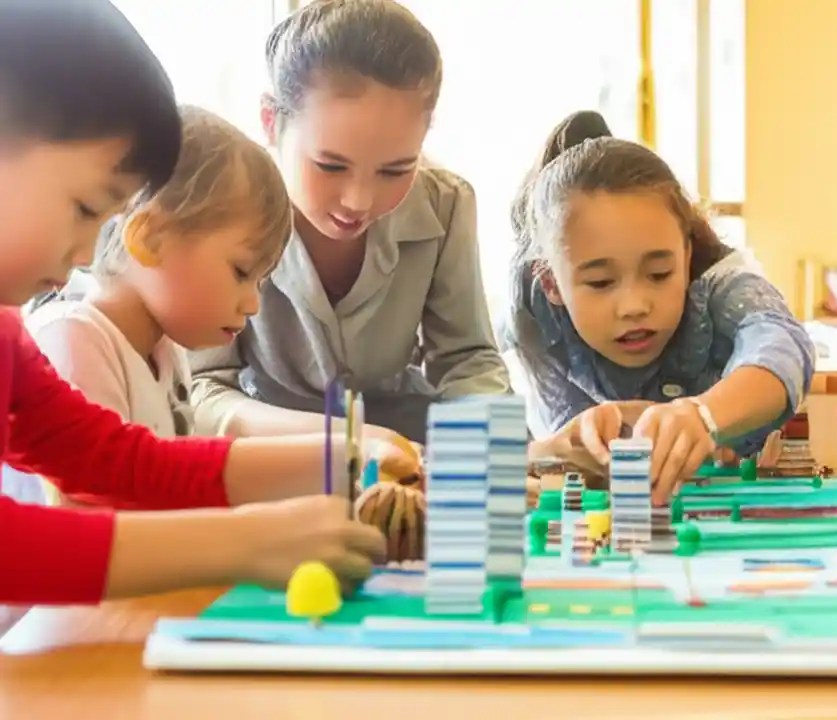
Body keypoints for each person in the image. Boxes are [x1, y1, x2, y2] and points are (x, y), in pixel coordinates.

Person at [0, 0, 384, 606]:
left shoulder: (8, 337)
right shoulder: (70, 330)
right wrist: (247, 542)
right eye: (85, 208)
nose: (86, 252)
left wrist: (348, 455)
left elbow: (122, 465)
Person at [11, 106, 420, 508]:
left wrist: (352, 453)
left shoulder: (164, 352)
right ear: (151, 237)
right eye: (241, 271)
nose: (253, 304)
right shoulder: (75, 340)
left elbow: (176, 480)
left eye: (260, 281)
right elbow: (103, 513)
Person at [190, 0, 509, 446]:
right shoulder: (218, 207)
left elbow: (467, 360)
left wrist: (495, 452)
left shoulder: (446, 204)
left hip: (407, 444)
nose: (358, 201)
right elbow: (203, 389)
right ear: (270, 121)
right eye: (331, 166)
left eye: (396, 170)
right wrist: (346, 439)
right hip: (266, 450)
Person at [507, 122, 814, 503]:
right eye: (601, 282)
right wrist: (548, 451)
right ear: (552, 284)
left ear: (686, 254)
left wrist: (703, 415)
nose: (635, 306)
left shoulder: (723, 286)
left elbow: (783, 345)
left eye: (659, 274)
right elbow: (559, 460)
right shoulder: (533, 318)